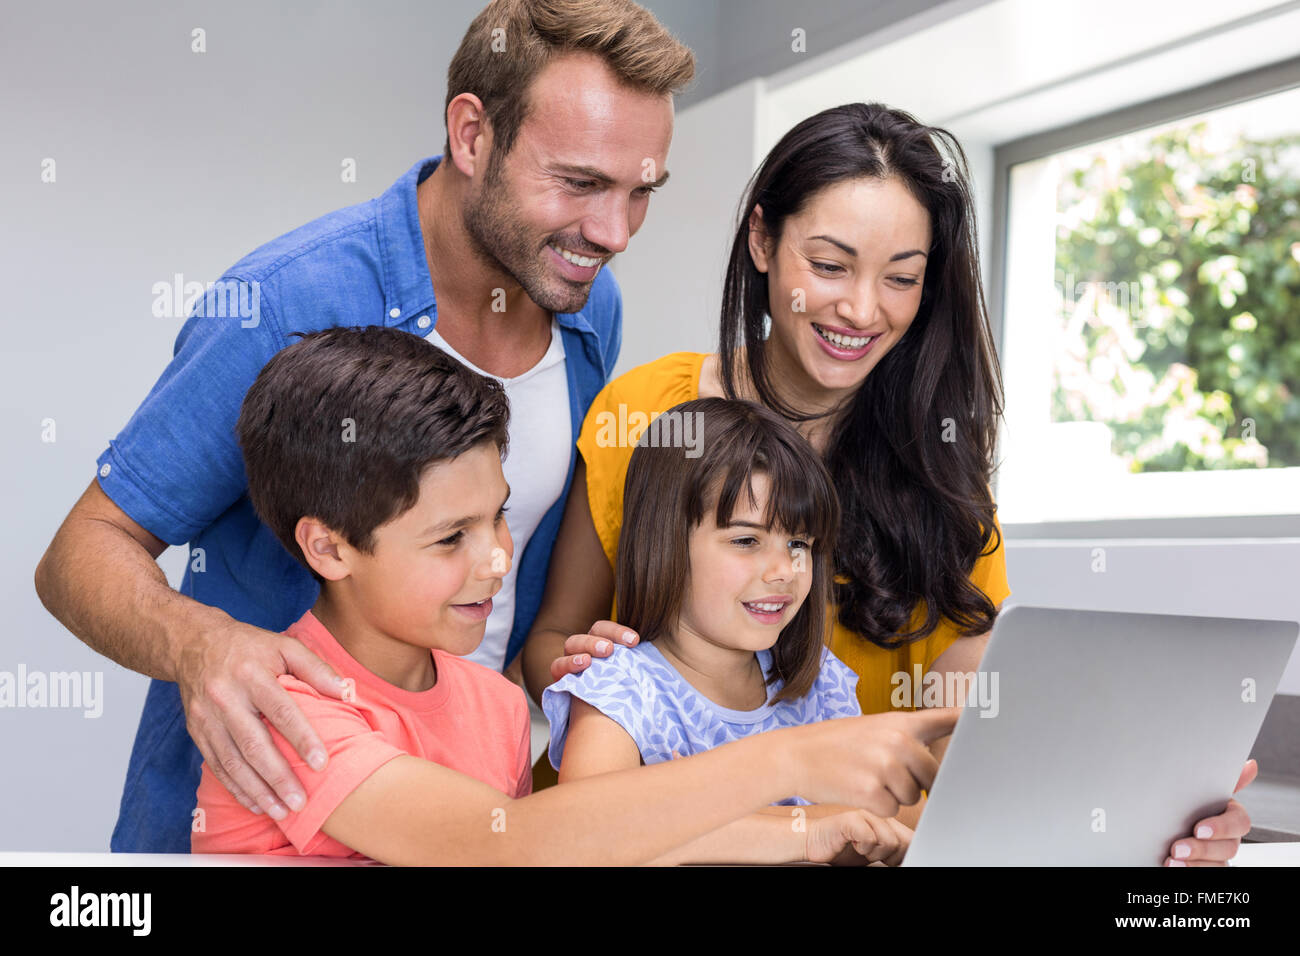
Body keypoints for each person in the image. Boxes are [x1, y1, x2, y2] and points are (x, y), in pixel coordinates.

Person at [33, 0, 694, 852]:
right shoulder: (283, 305)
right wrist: (203, 645)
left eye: (642, 192)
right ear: (471, 135)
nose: (614, 233)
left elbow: (521, 585)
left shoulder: (587, 304)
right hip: (270, 808)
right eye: (579, 183)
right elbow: (79, 551)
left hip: (461, 806)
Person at [522, 102, 1257, 865]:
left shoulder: (938, 464)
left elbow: (967, 722)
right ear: (763, 240)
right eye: (831, 265)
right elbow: (549, 646)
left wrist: (1141, 809)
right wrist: (597, 675)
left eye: (901, 278)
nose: (861, 309)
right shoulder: (648, 412)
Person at [192, 325, 958, 865]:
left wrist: (810, 833)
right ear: (328, 546)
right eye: (450, 537)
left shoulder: (492, 707)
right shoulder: (280, 713)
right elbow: (514, 847)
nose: (498, 559)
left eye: (497, 514)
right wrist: (793, 765)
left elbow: (589, 840)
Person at [543, 398, 915, 865]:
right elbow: (586, 836)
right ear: (666, 541)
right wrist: (809, 831)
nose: (784, 570)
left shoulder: (820, 683)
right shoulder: (621, 688)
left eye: (799, 543)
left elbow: (880, 814)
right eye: (746, 540)